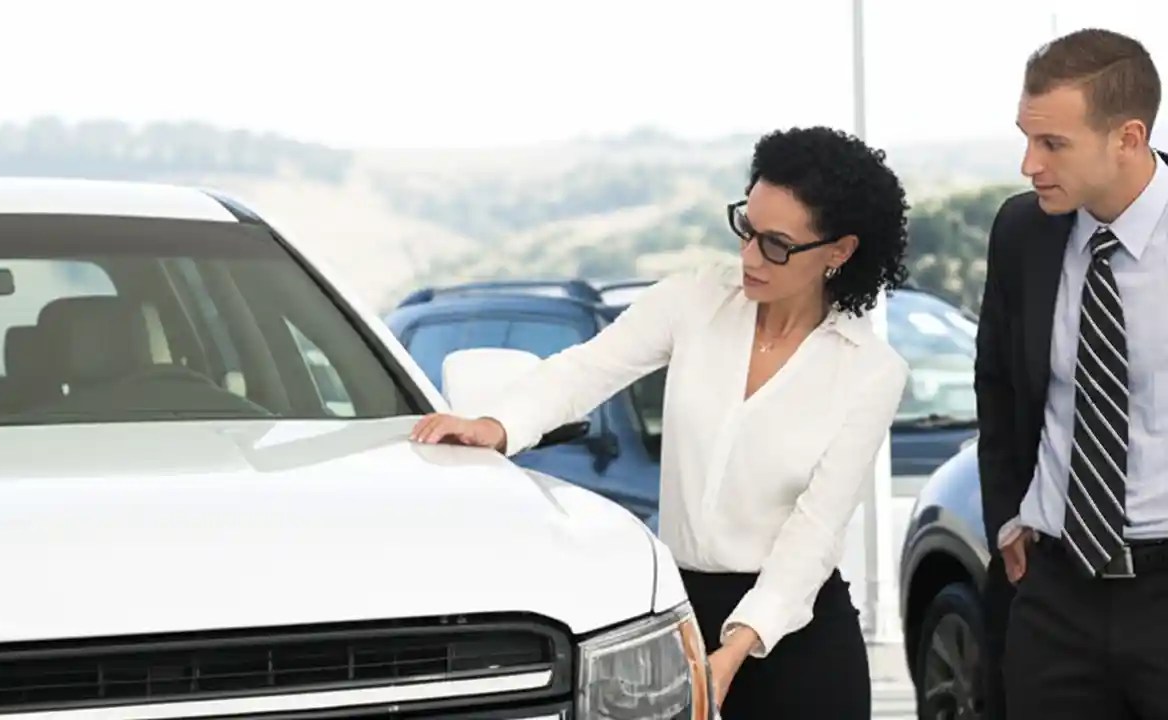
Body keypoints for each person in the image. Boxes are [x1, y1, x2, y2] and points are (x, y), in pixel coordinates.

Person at [410, 126, 910, 718]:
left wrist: (734, 650)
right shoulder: (695, 300)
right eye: (747, 230)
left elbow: (816, 533)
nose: (750, 256)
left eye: (777, 244)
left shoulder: (869, 371)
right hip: (682, 614)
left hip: (797, 636)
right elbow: (586, 369)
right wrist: (497, 423)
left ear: (839, 251)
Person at [976, 28, 1168, 720]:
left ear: (1128, 137)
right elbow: (996, 387)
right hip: (1055, 593)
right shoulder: (1023, 232)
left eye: (1053, 144)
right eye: (1027, 139)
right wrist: (1005, 518)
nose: (1029, 164)